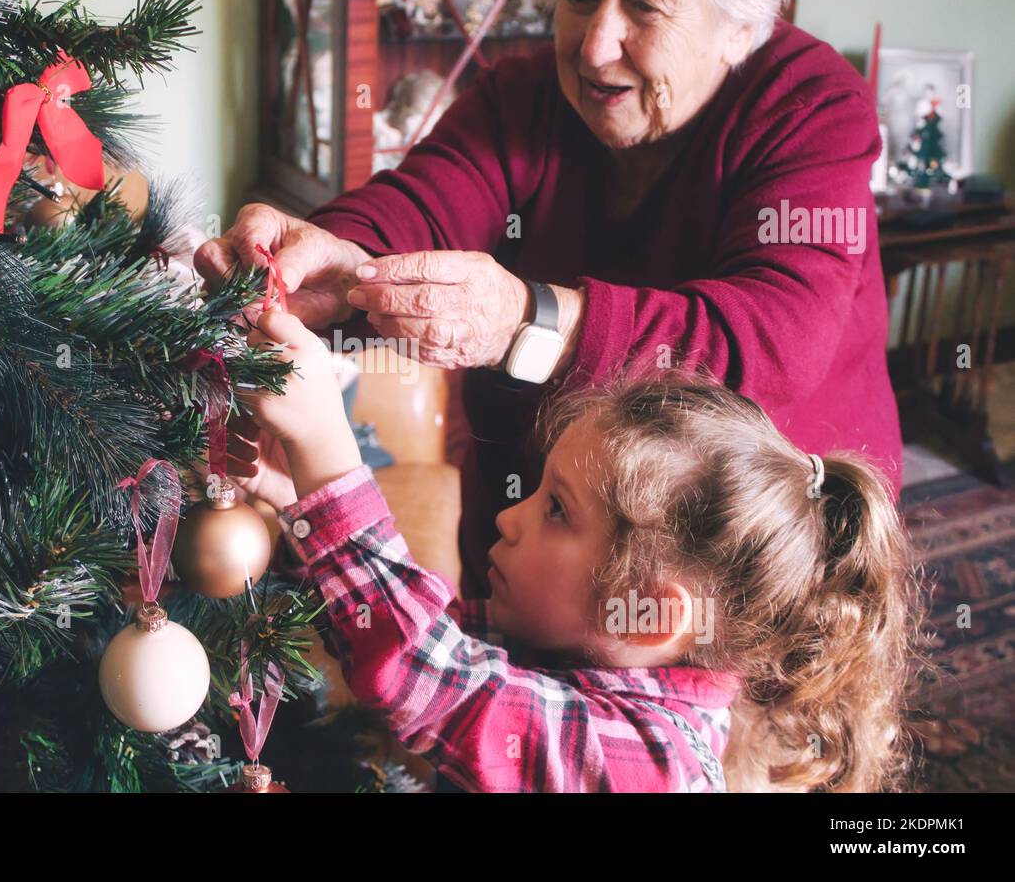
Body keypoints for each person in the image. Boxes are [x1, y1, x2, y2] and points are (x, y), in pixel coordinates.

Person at [197, 0, 901, 600]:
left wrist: (527, 321)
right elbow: (418, 204)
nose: (596, 46)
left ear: (740, 27)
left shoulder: (812, 105)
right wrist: (332, 251)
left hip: (744, 556)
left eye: (645, 3)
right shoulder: (523, 97)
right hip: (532, 544)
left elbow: (772, 341)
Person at [228, 309, 925, 792]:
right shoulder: (588, 648)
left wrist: (327, 447)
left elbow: (423, 670)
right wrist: (299, 506)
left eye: (557, 509)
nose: (510, 517)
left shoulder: (650, 768)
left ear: (647, 614)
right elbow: (422, 633)